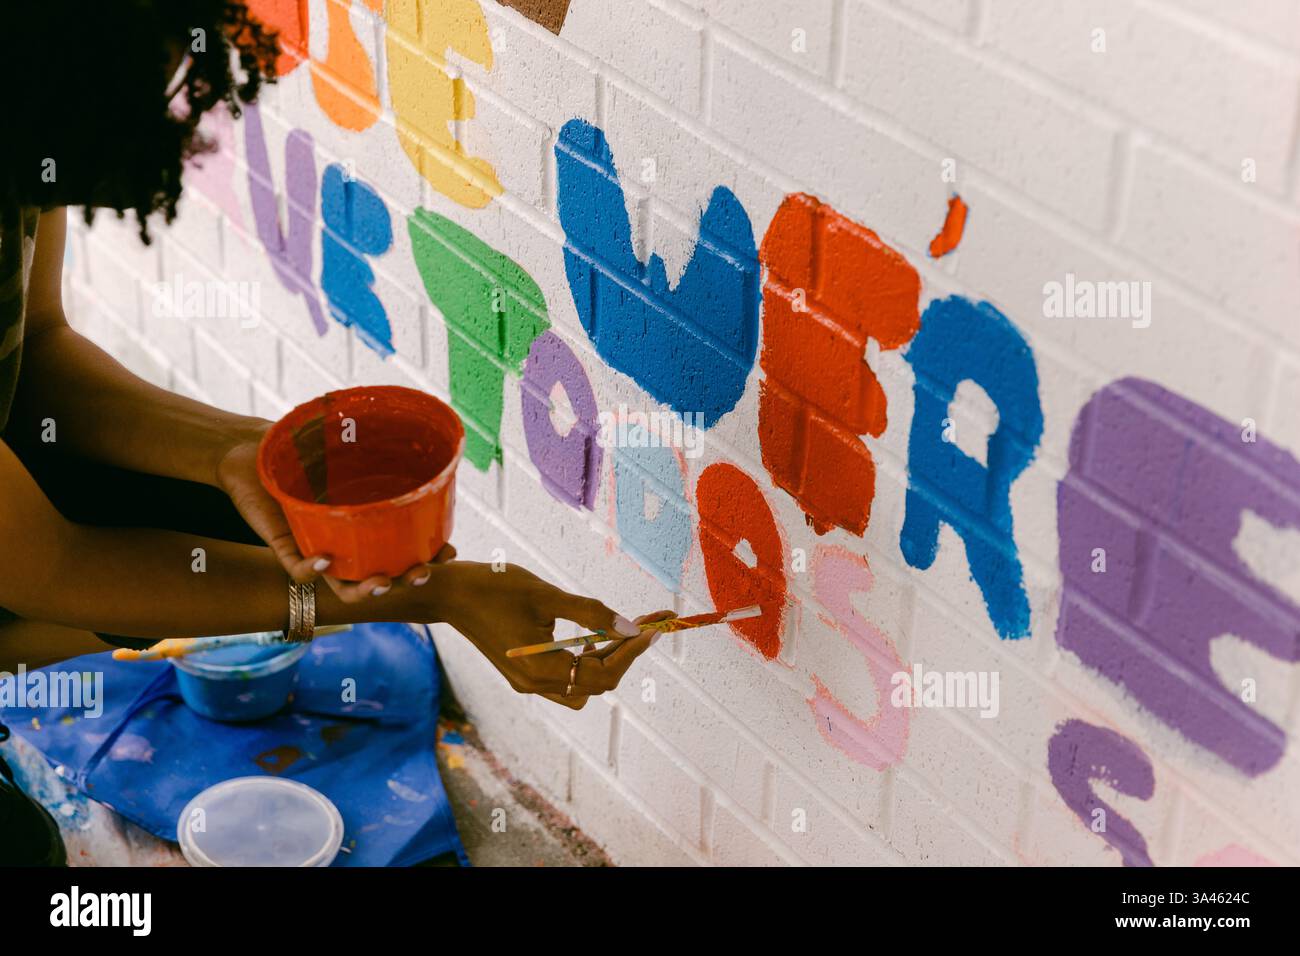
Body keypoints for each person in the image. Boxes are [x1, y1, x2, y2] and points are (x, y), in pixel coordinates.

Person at [0, 1, 656, 865]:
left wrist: (242, 454)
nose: (169, 103)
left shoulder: (26, 121)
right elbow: (50, 566)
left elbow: (35, 353)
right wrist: (441, 596)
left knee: (277, 524)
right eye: (146, 80)